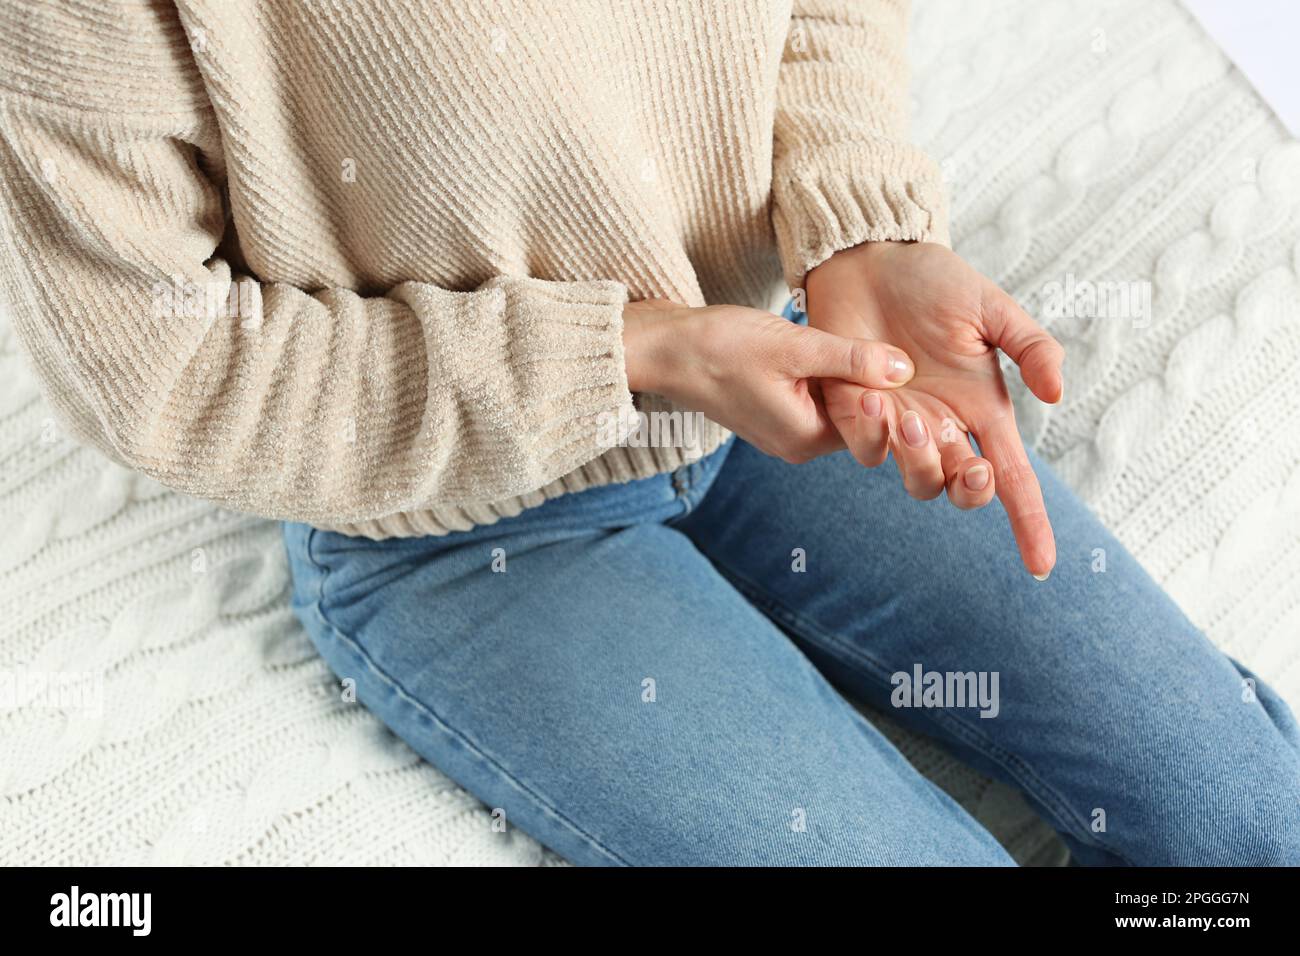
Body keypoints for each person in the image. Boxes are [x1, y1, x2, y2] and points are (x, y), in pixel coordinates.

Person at [1, 0, 1296, 866]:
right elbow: (161, 363)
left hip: (789, 350)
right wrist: (636, 351)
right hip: (462, 522)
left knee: (1244, 816)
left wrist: (860, 221)